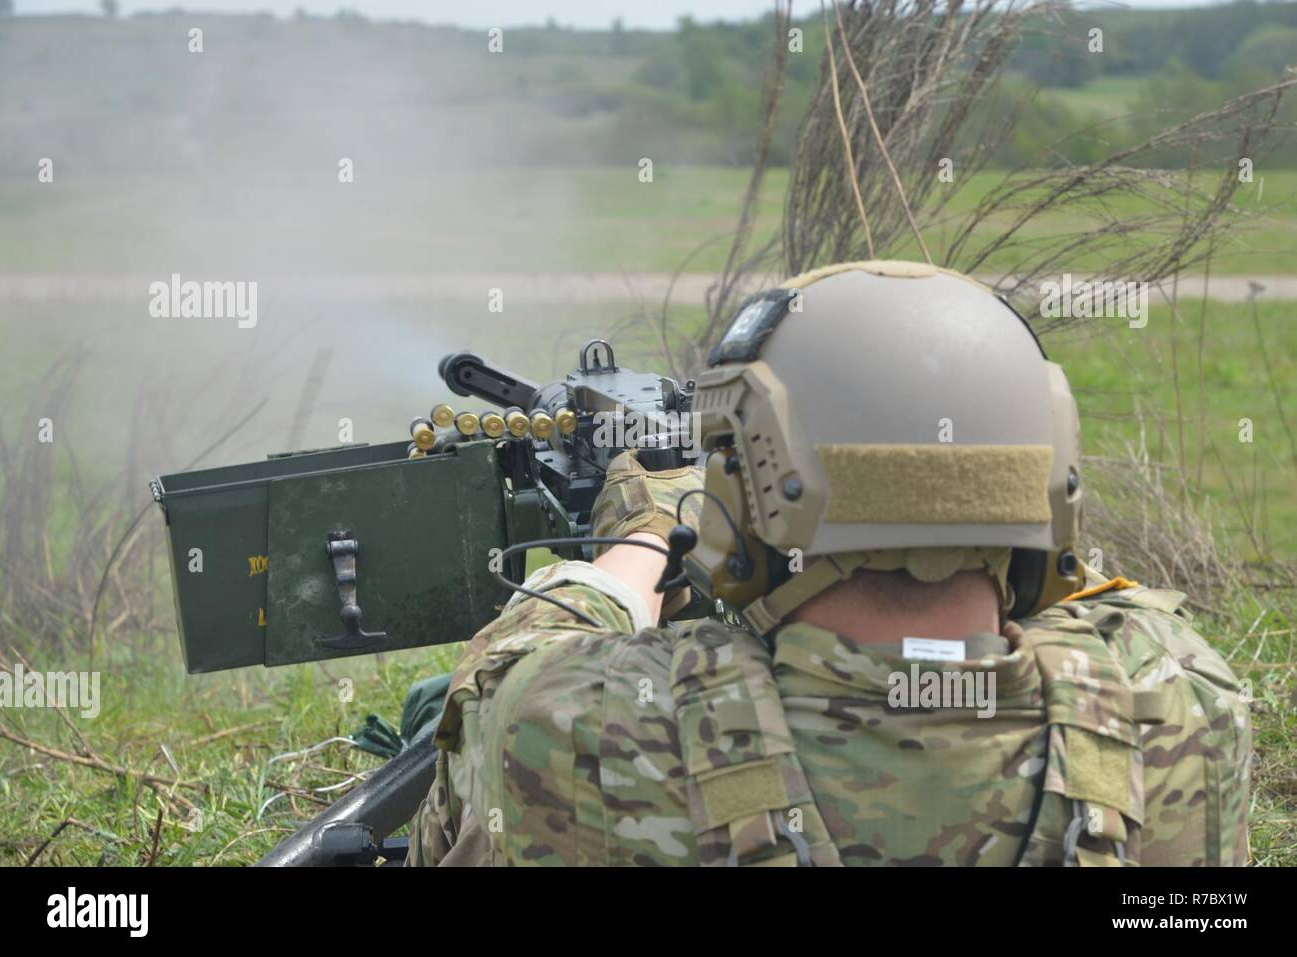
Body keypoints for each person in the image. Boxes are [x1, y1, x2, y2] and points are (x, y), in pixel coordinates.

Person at [406, 260, 1250, 867]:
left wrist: (646, 532)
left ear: (739, 506)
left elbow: (503, 678)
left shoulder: (582, 730)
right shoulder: (1181, 712)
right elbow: (1107, 616)